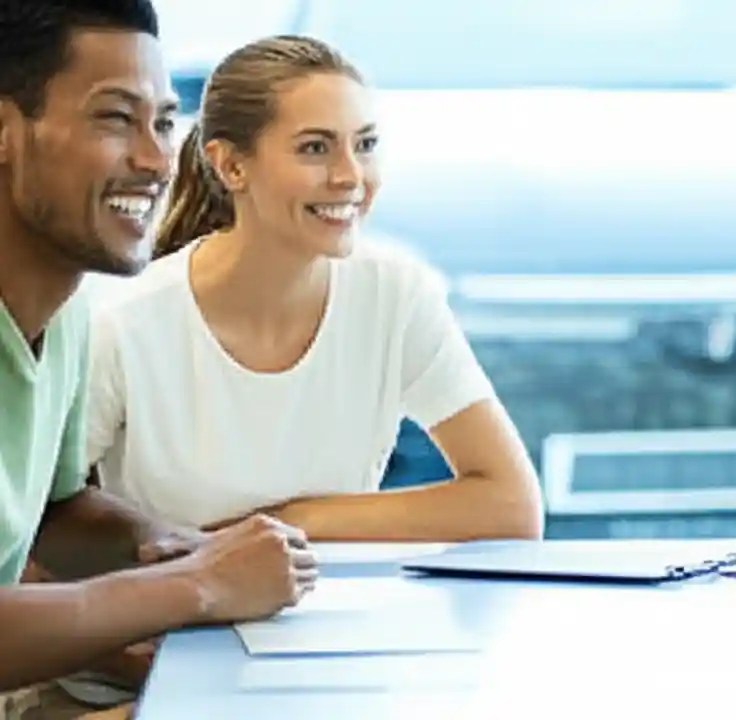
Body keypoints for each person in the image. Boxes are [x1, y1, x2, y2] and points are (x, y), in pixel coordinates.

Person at [85, 34, 544, 542]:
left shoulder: (395, 294)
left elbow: (510, 505)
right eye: (315, 148)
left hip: (334, 613)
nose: (351, 176)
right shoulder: (123, 323)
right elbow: (40, 523)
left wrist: (290, 524)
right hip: (178, 616)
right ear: (231, 165)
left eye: (365, 144)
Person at [0, 0, 317, 716]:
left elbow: (50, 510)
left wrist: (168, 542)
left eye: (164, 123)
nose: (156, 160)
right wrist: (197, 585)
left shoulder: (66, 316)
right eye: (114, 118)